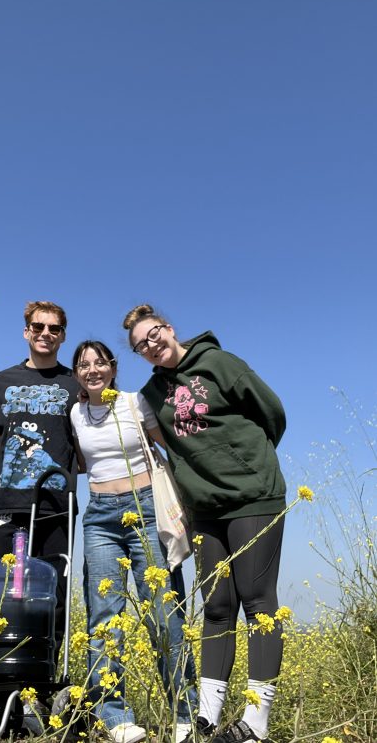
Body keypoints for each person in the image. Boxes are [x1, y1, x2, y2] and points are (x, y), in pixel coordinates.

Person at [123, 304, 287, 743]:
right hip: (204, 509)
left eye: (153, 334)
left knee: (257, 601)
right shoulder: (153, 392)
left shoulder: (218, 363)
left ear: (169, 329)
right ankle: (208, 717)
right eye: (141, 344)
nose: (150, 344)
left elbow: (272, 413)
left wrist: (246, 461)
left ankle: (255, 723)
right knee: (216, 609)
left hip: (252, 497)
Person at [70, 340, 198, 743]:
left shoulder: (134, 402)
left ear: (112, 367)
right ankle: (114, 715)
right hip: (100, 515)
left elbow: (168, 447)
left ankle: (186, 712)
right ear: (77, 374)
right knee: (104, 616)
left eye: (100, 363)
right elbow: (79, 462)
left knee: (164, 612)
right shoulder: (75, 413)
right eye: (84, 365)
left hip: (145, 507)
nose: (93, 370)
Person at [0, 301, 78, 660]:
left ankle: (40, 680)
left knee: (53, 594)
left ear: (63, 336)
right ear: (26, 332)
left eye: (54, 329)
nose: (45, 334)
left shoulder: (75, 384)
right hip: (4, 503)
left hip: (56, 505)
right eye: (38, 327)